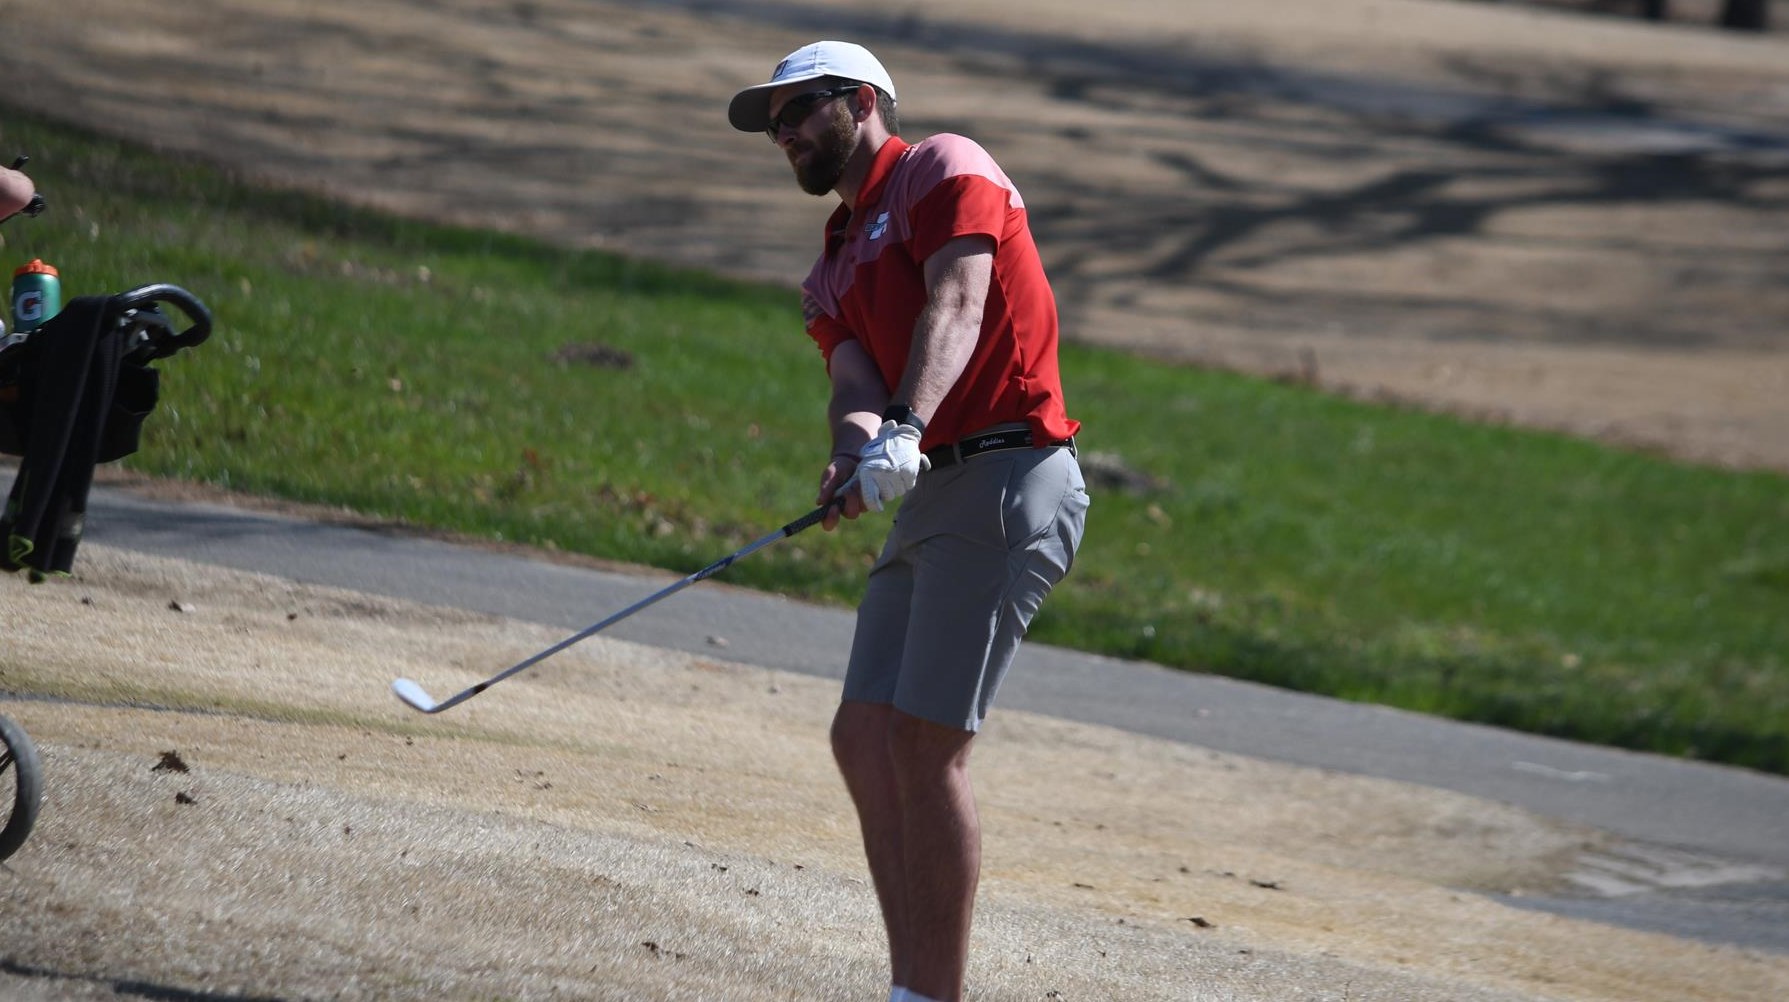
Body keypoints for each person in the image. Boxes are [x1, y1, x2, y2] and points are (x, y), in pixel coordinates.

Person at [729, 40, 1090, 1002]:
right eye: (773, 125)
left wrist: (905, 427)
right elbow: (854, 382)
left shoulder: (943, 166)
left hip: (1009, 471)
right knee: (865, 734)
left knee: (926, 747)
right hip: (930, 489)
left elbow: (958, 302)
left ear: (860, 101)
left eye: (798, 111)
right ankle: (911, 985)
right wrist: (856, 451)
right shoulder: (831, 261)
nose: (784, 134)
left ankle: (929, 996)